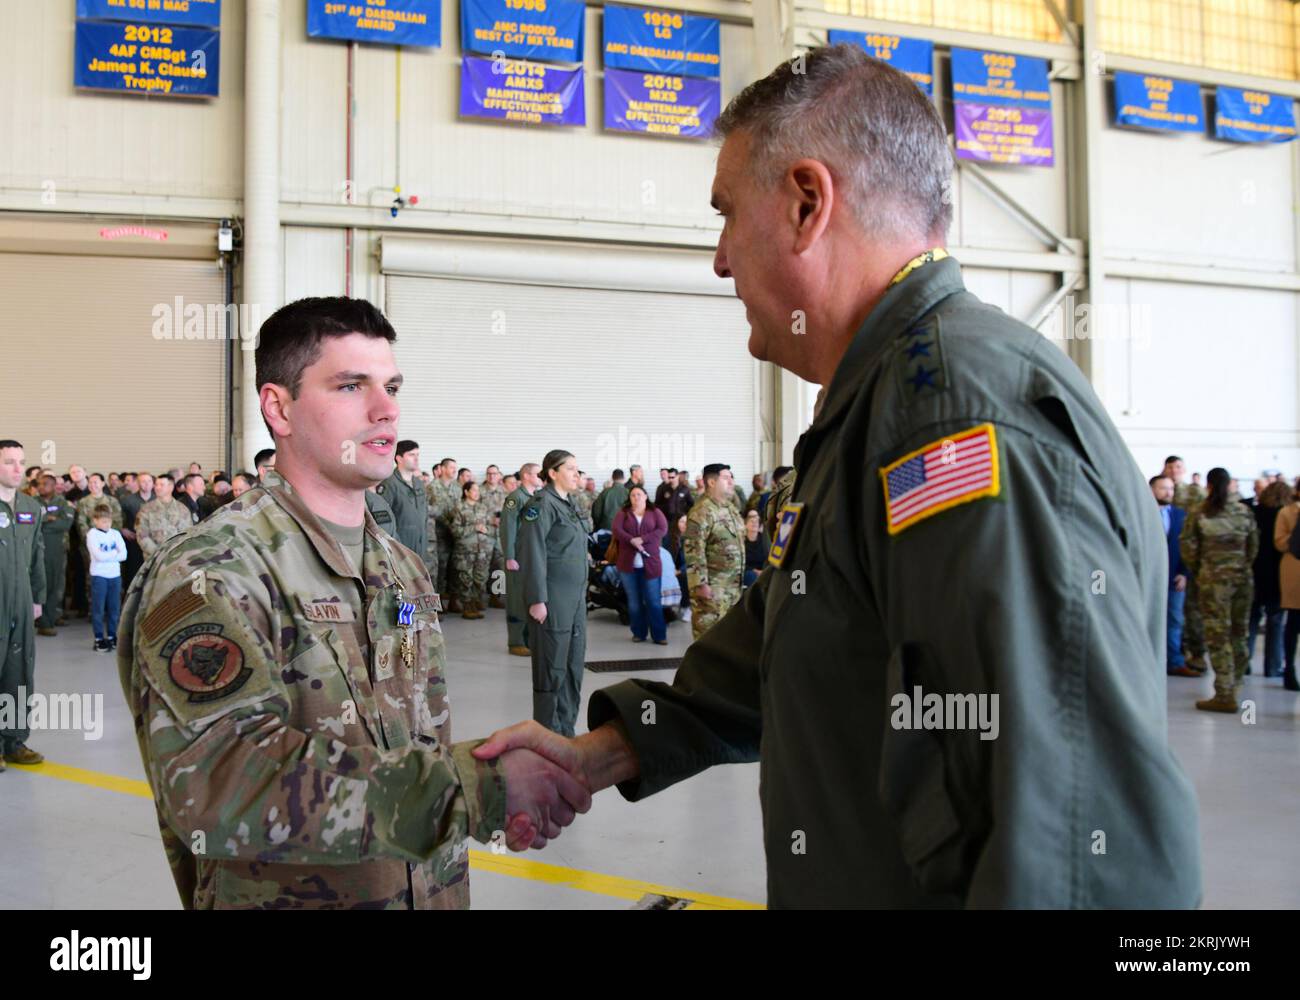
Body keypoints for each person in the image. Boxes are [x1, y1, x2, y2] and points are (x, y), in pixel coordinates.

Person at [472, 46, 1201, 908]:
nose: (719, 259)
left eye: (726, 214)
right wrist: (598, 755)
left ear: (807, 205)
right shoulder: (877, 408)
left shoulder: (951, 421)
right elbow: (786, 649)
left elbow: (1074, 842)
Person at [118, 297, 589, 909]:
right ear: (278, 408)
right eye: (350, 386)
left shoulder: (403, 569)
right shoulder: (212, 571)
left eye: (391, 386)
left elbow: (421, 732)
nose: (386, 408)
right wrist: (475, 788)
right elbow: (221, 780)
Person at [517, 450, 589, 737]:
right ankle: (547, 735)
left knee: (572, 667)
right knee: (551, 668)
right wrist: (537, 599)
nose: (576, 474)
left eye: (577, 469)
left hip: (575, 600)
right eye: (570, 468)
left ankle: (566, 731)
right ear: (552, 473)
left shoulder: (568, 504)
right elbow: (531, 551)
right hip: (552, 600)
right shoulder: (541, 505)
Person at [1180, 468, 1257, 712]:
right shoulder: (1243, 511)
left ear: (1209, 485)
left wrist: (1201, 569)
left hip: (1212, 582)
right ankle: (1235, 687)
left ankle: (1224, 694)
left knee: (1217, 635)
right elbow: (1253, 546)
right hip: (1242, 580)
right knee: (1239, 634)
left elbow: (1188, 547)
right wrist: (1240, 566)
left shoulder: (1200, 511)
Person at [0, 440, 46, 769]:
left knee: (19, 673)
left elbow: (37, 553)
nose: (18, 469)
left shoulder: (30, 506)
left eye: (21, 462)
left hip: (22, 600)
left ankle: (14, 741)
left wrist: (38, 598)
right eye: (9, 462)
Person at [683, 463, 745, 640]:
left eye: (731, 478)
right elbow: (693, 549)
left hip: (732, 589)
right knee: (707, 640)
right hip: (712, 590)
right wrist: (700, 584)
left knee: (728, 640)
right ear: (711, 482)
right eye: (726, 478)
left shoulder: (730, 508)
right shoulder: (702, 511)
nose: (731, 482)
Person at [612, 484, 668, 644]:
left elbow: (662, 529)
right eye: (633, 495)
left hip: (651, 564)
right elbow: (616, 530)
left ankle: (659, 635)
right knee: (634, 602)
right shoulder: (623, 513)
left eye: (639, 494)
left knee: (653, 601)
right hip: (628, 566)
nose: (636, 497)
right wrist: (631, 540)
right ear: (629, 498)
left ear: (645, 496)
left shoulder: (655, 512)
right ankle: (639, 633)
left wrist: (643, 539)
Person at [1150, 476, 1193, 676]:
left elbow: (1188, 547)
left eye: (1171, 489)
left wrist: (1184, 573)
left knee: (1175, 621)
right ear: (1152, 490)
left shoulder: (1180, 515)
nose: (1168, 492)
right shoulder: (1142, 513)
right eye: (1163, 488)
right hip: (1149, 578)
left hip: (1174, 578)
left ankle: (1175, 662)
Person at [1249, 480, 1291, 678]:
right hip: (1278, 574)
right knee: (1275, 622)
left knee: (1251, 619)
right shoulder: (1285, 515)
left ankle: (1244, 663)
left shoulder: (1254, 512)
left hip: (1255, 571)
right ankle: (1273, 667)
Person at [501, 463, 541, 656]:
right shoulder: (515, 498)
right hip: (517, 556)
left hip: (530, 555)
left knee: (529, 596)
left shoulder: (535, 497)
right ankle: (516, 641)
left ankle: (528, 639)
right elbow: (508, 528)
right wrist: (509, 556)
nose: (540, 477)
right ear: (526, 475)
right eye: (537, 474)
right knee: (516, 599)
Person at [35, 474, 75, 637]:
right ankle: (38, 619)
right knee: (36, 585)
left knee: (53, 585)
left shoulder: (63, 503)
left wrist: (42, 522)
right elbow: (29, 523)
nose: (41, 486)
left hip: (54, 551)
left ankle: (47, 622)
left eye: (45, 484)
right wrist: (48, 519)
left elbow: (65, 524)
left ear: (53, 486)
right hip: (34, 550)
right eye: (39, 484)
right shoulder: (32, 502)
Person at [376, 440, 428, 562]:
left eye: (417, 455)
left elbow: (424, 514)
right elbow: (382, 521)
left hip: (420, 546)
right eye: (411, 455)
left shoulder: (419, 484)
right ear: (399, 458)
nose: (416, 459)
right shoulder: (389, 484)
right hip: (400, 549)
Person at [86, 504, 127, 652]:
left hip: (114, 575)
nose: (107, 524)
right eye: (103, 521)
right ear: (95, 520)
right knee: (98, 608)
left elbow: (124, 555)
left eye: (109, 521)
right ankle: (98, 638)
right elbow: (99, 556)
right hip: (99, 576)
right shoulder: (92, 534)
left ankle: (111, 635)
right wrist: (115, 553)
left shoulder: (115, 534)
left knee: (114, 608)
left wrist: (110, 555)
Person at [450, 481, 493, 620]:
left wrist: (487, 530)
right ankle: (467, 606)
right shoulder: (459, 508)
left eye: (478, 490)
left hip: (482, 550)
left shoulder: (483, 508)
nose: (477, 493)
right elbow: (454, 530)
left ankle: (474, 602)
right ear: (466, 492)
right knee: (465, 579)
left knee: (481, 578)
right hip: (465, 551)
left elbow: (491, 527)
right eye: (474, 490)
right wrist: (474, 528)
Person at [1275, 478, 1300, 691]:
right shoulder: (1287, 512)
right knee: (1293, 622)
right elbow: (1280, 542)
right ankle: (1289, 668)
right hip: (1294, 569)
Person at [135, 474, 194, 560]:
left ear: (171, 487)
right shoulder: (146, 509)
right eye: (156, 485)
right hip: (154, 559)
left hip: (177, 558)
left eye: (161, 485)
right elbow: (142, 536)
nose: (157, 487)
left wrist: (176, 553)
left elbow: (188, 535)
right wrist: (159, 554)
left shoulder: (182, 509)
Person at [426, 457, 459, 609]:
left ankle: (453, 600)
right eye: (451, 467)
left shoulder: (457, 487)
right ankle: (437, 603)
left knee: (455, 567)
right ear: (443, 469)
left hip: (455, 533)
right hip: (439, 533)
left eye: (455, 467)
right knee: (439, 568)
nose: (454, 470)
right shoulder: (432, 487)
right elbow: (426, 509)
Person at [119, 470, 155, 592]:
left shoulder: (158, 500)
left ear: (153, 483)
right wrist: (122, 529)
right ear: (138, 483)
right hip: (133, 541)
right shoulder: (127, 501)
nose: (146, 484)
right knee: (132, 572)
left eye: (149, 481)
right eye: (143, 481)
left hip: (153, 543)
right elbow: (118, 519)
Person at [479, 465, 508, 609]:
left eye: (494, 474)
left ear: (499, 475)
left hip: (500, 534)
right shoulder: (479, 491)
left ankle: (496, 597)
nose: (491, 476)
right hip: (484, 534)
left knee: (499, 566)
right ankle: (478, 598)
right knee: (482, 565)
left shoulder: (504, 492)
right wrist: (489, 520)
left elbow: (510, 512)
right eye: (489, 474)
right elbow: (472, 510)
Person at [742, 509, 768, 587]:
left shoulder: (764, 540)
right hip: (748, 572)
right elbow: (741, 562)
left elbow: (769, 558)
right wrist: (754, 571)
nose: (754, 523)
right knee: (751, 576)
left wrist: (763, 571)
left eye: (756, 521)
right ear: (745, 525)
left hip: (764, 570)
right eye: (751, 521)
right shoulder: (742, 541)